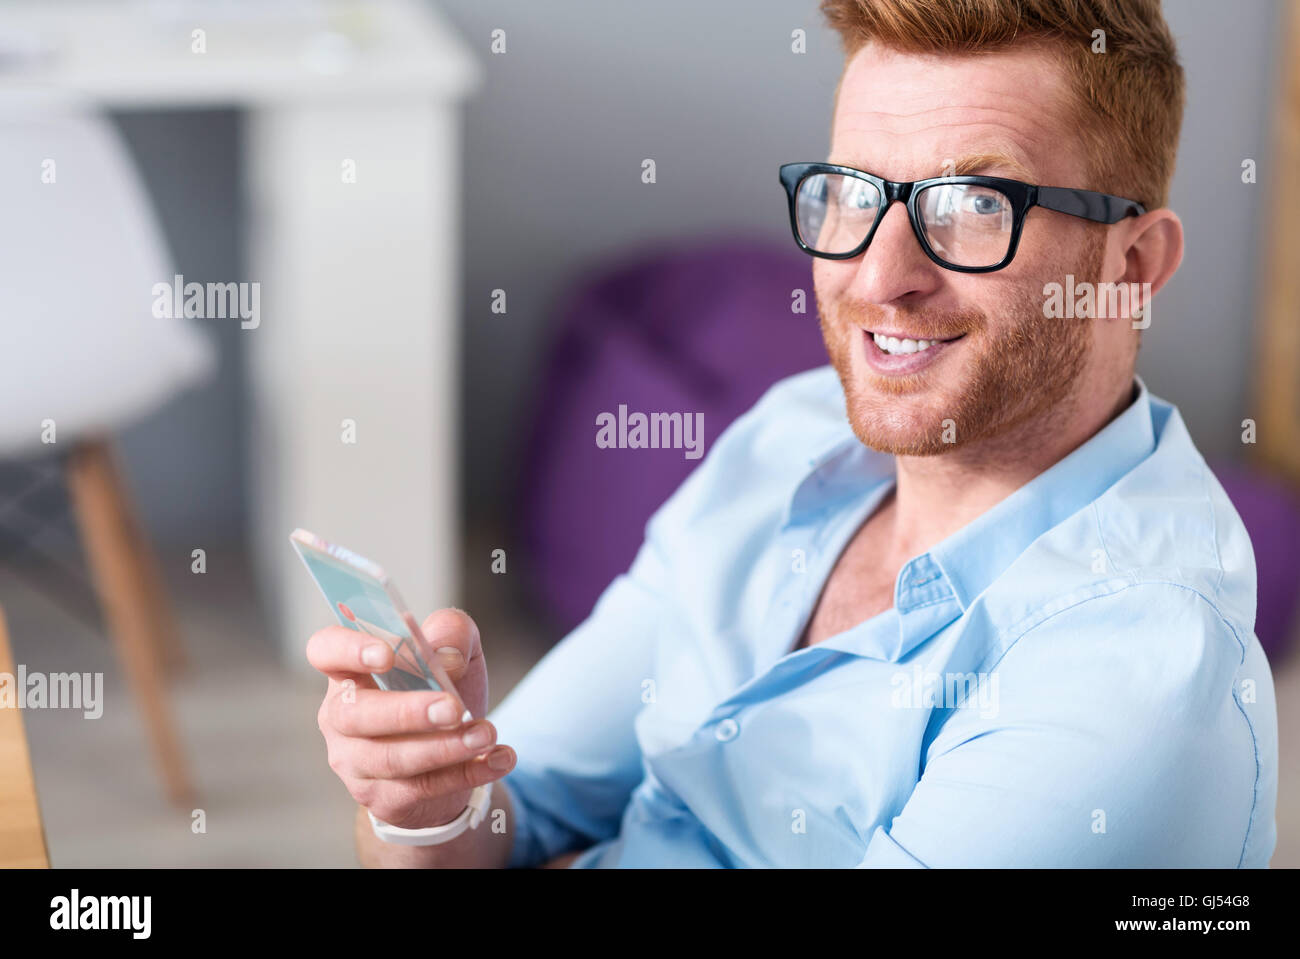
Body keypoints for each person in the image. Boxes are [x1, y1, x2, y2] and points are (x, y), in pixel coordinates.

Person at [308, 0, 1278, 868]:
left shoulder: (1135, 670)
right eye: (853, 193)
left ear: (1132, 262)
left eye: (977, 205)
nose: (879, 274)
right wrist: (426, 808)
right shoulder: (790, 433)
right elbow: (512, 812)